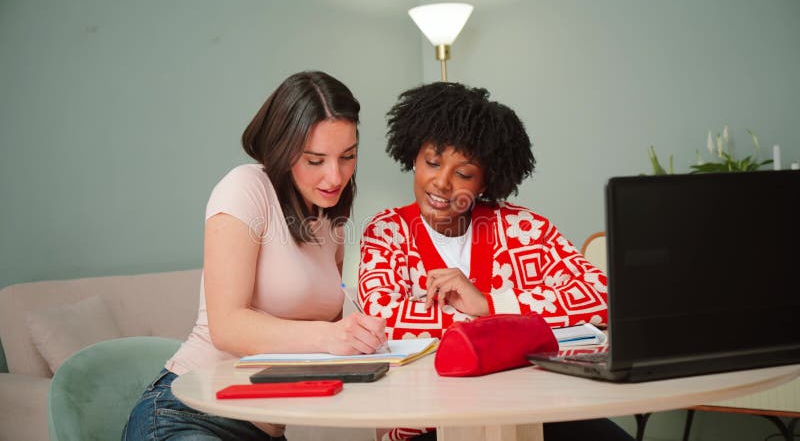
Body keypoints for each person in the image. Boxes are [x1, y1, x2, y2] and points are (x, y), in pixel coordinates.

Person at [123, 70, 388, 441]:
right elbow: (226, 326)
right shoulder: (246, 187)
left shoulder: (331, 219)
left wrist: (360, 339)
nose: (335, 176)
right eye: (315, 161)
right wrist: (331, 336)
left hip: (265, 427)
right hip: (189, 414)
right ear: (283, 150)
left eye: (348, 156)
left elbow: (308, 348)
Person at [358, 82, 631, 441]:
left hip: (537, 412)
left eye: (464, 173)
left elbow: (603, 296)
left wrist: (489, 303)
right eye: (432, 162)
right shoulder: (387, 232)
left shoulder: (524, 228)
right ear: (413, 156)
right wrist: (513, 327)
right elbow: (382, 320)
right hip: (429, 423)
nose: (442, 183)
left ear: (486, 181)